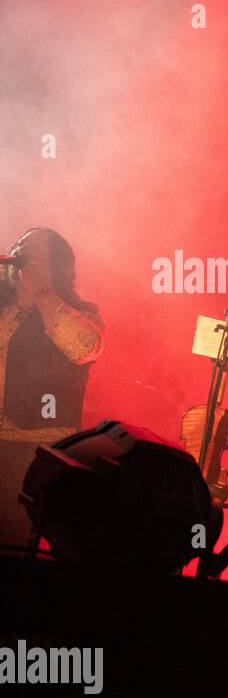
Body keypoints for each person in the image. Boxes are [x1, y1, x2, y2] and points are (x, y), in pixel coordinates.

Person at [0, 228, 104, 547]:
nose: (19, 256)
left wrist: (44, 293)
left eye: (32, 254)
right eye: (18, 248)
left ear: (56, 268)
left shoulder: (81, 316)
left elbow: (84, 347)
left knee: (15, 540)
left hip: (36, 448)